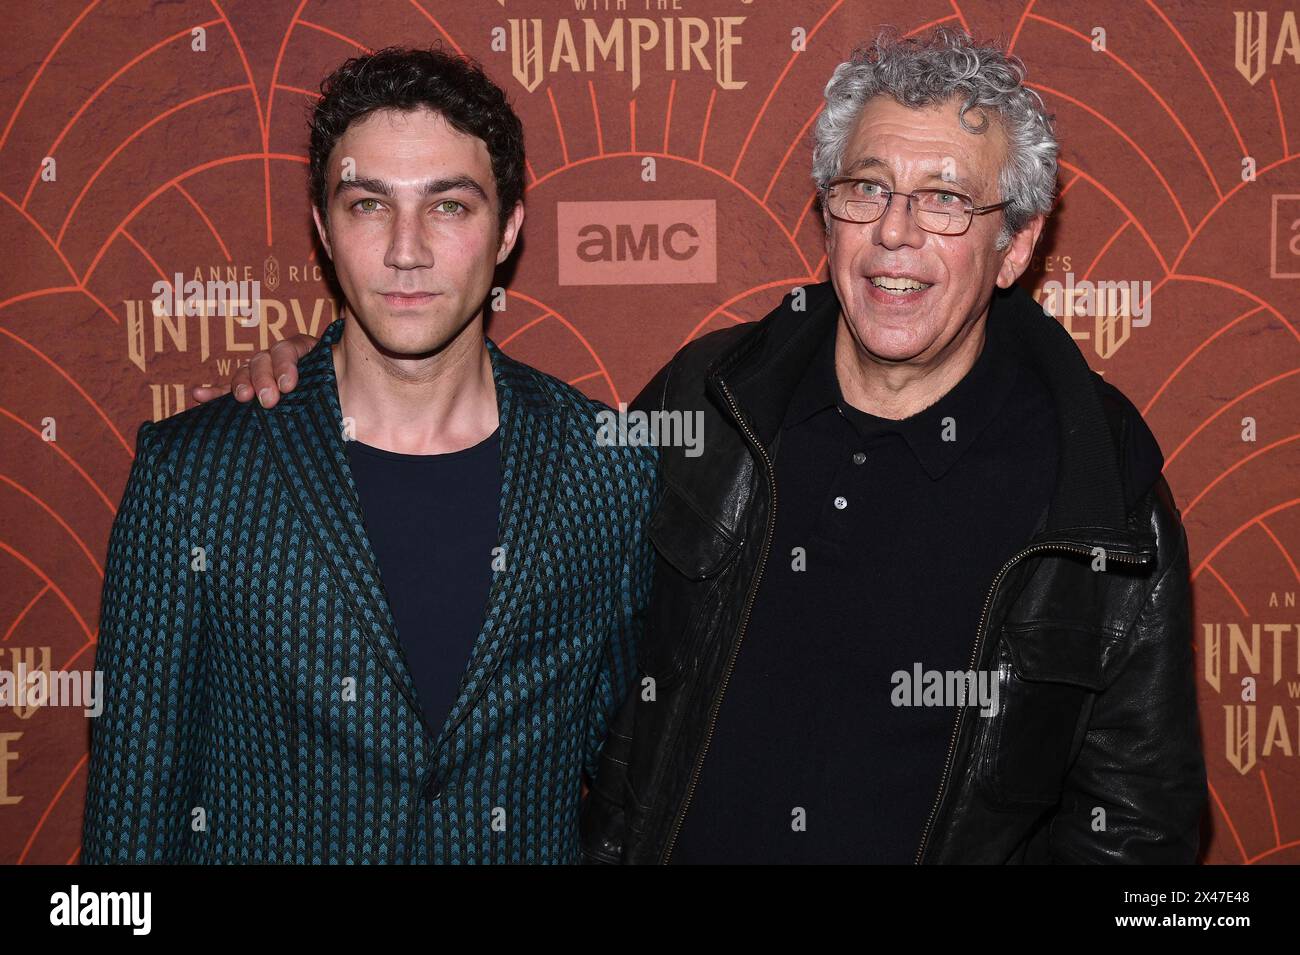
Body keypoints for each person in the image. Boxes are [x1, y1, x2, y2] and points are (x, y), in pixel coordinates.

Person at [214, 26, 1207, 864]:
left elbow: (1141, 828)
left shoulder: (1097, 490)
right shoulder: (712, 400)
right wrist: (336, 378)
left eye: (947, 199)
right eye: (865, 188)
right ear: (827, 213)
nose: (895, 233)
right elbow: (522, 563)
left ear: (1017, 244)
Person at [82, 47, 657, 864]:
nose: (407, 250)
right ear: (322, 227)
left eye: (450, 207)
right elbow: (127, 831)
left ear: (509, 229)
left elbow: (639, 786)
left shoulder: (605, 472)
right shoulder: (195, 478)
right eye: (368, 205)